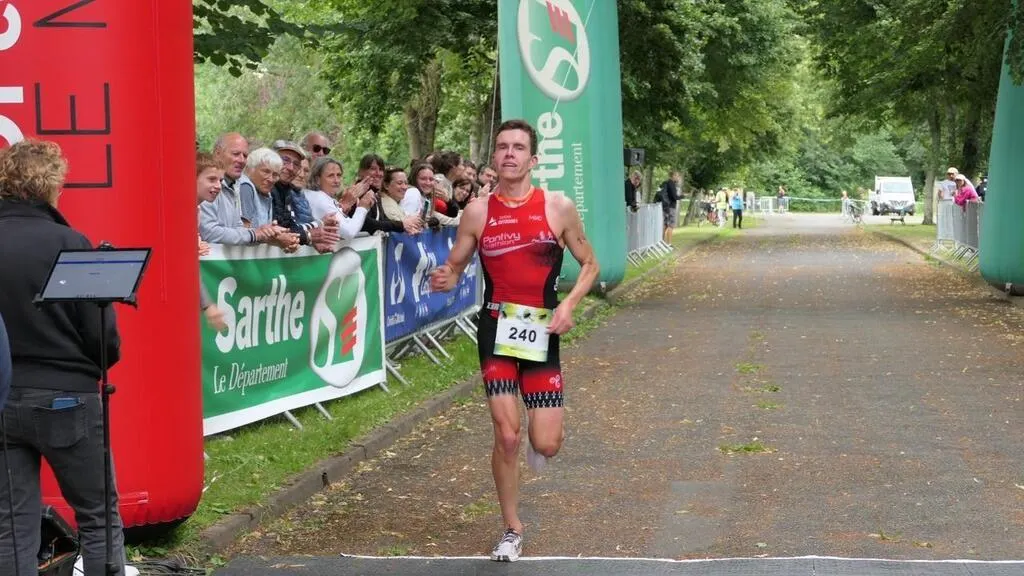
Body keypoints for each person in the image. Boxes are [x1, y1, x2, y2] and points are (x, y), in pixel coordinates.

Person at [429, 119, 599, 563]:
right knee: (506, 435)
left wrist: (568, 305)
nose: (509, 153)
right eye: (502, 146)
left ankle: (539, 441)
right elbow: (456, 266)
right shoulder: (477, 212)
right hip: (496, 329)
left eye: (518, 147)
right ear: (494, 157)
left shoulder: (557, 207)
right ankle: (511, 528)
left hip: (541, 330)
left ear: (533, 159)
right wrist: (446, 278)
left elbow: (590, 264)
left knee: (546, 444)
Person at [0, 140, 127, 575]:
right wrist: (103, 359)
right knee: (98, 516)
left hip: (3, 396)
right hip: (66, 395)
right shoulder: (68, 241)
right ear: (52, 184)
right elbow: (101, 334)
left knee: (11, 525)